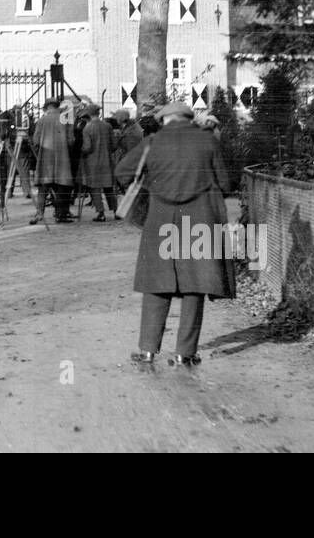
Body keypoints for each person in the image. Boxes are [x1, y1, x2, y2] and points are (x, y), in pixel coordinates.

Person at [131, 100, 236, 368]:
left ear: (165, 120)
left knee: (157, 284)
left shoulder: (152, 142)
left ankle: (147, 351)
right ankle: (184, 353)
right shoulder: (207, 142)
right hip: (198, 220)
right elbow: (224, 182)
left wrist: (151, 189)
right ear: (189, 119)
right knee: (195, 284)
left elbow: (123, 171)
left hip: (160, 220)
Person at [31, 96, 74, 224]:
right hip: (62, 160)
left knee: (43, 188)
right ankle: (61, 215)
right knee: (62, 187)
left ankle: (39, 213)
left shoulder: (41, 121)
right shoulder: (65, 120)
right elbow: (71, 140)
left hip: (46, 159)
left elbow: (36, 141)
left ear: (47, 108)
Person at [79, 102, 117, 221]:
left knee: (95, 188)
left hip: (92, 162)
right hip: (107, 161)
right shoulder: (107, 126)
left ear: (88, 115)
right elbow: (114, 145)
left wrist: (81, 151)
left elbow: (88, 147)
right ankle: (117, 211)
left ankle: (101, 213)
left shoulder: (87, 127)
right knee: (109, 187)